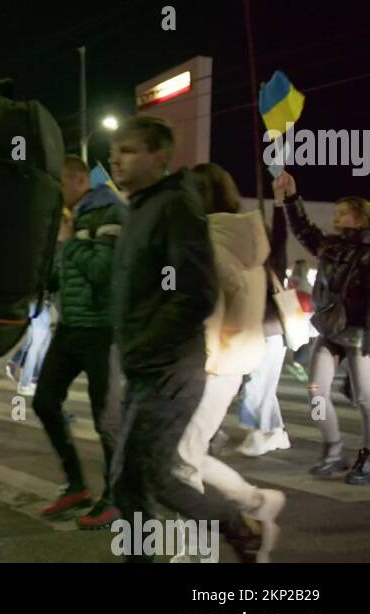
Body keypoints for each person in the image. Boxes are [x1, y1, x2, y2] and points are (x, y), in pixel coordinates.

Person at [109, 116, 269, 562]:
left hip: (168, 368)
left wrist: (148, 345)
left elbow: (192, 292)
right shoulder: (143, 206)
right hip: (148, 365)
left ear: (159, 156)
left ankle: (239, 526)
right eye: (113, 150)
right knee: (138, 479)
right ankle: (237, 529)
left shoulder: (174, 207)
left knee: (149, 477)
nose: (115, 158)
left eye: (128, 150)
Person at [171, 163, 287, 562]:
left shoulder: (210, 244)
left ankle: (198, 552)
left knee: (181, 461)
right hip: (230, 361)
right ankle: (256, 502)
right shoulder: (243, 239)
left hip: (209, 364)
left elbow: (209, 312)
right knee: (188, 453)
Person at [33, 155, 125, 529]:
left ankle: (117, 497)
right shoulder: (70, 219)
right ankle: (76, 485)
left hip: (102, 329)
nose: (56, 195)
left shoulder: (110, 212)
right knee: (43, 401)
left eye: (60, 186)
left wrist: (69, 242)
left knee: (106, 418)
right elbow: (61, 277)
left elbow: (103, 271)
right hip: (70, 326)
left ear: (79, 180)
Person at [280, 171, 370, 484]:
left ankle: (368, 457)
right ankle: (334, 450)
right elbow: (303, 230)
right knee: (316, 393)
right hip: (330, 329)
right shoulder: (330, 246)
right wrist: (291, 198)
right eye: (335, 212)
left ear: (359, 217)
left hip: (360, 333)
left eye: (343, 212)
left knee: (364, 399)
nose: (336, 217)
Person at [235, 173, 292, 457]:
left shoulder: (273, 262)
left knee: (257, 386)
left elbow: (281, 234)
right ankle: (276, 432)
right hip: (253, 335)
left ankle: (261, 433)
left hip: (270, 335)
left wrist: (279, 203)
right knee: (260, 385)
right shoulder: (244, 266)